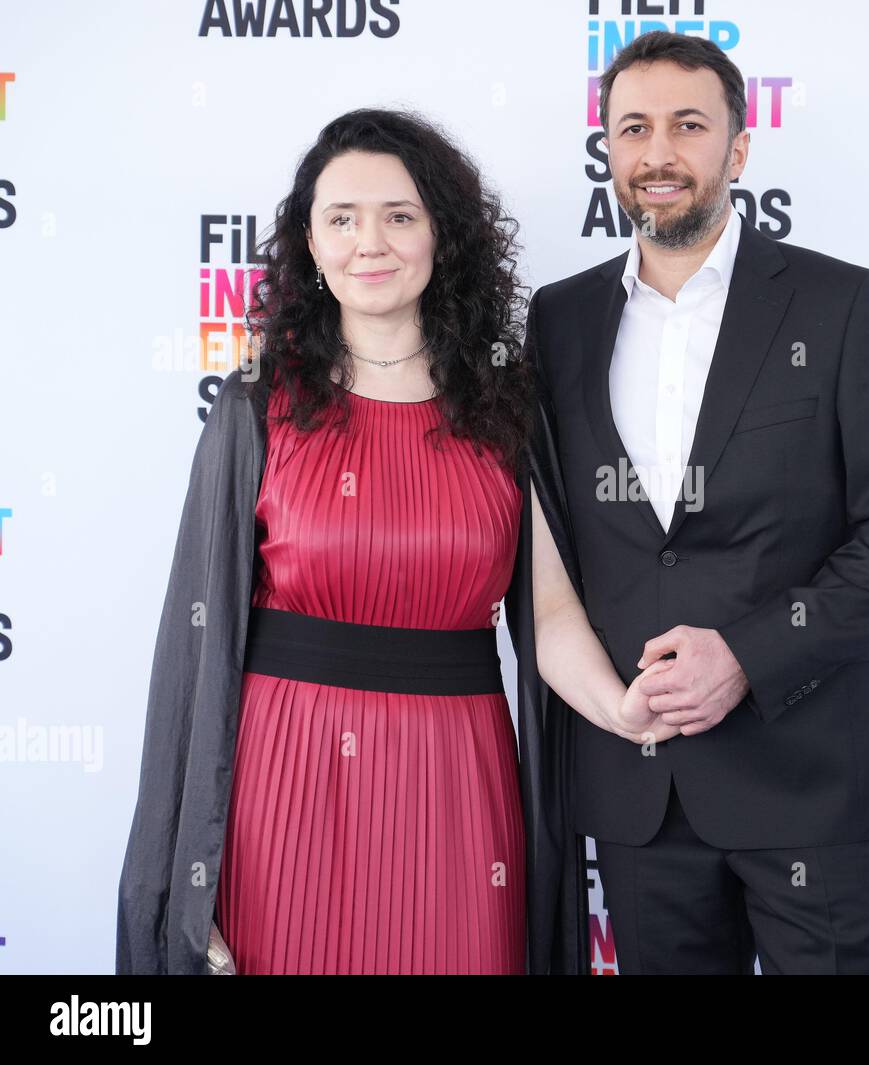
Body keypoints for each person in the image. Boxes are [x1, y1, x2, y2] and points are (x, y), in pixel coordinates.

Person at [115, 108, 588, 974]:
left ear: (444, 235)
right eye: (342, 218)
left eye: (400, 215)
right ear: (311, 244)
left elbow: (551, 613)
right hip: (284, 785)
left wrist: (633, 712)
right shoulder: (255, 406)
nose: (371, 242)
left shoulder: (509, 408)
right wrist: (189, 875)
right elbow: (196, 650)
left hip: (457, 784)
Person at [526, 31, 869, 974]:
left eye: (690, 125)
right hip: (643, 794)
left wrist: (748, 656)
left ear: (739, 147)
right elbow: (549, 548)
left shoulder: (841, 305)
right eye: (634, 128)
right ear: (606, 148)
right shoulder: (555, 322)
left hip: (812, 786)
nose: (660, 155)